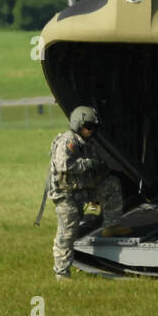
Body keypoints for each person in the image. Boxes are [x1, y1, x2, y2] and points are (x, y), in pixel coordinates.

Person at [48, 105, 126, 279]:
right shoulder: (68, 141)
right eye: (88, 127)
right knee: (67, 233)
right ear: (78, 124)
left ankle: (111, 226)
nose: (91, 131)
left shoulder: (86, 143)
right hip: (66, 194)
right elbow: (65, 165)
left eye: (93, 128)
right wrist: (89, 164)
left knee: (111, 184)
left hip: (82, 189)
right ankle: (61, 273)